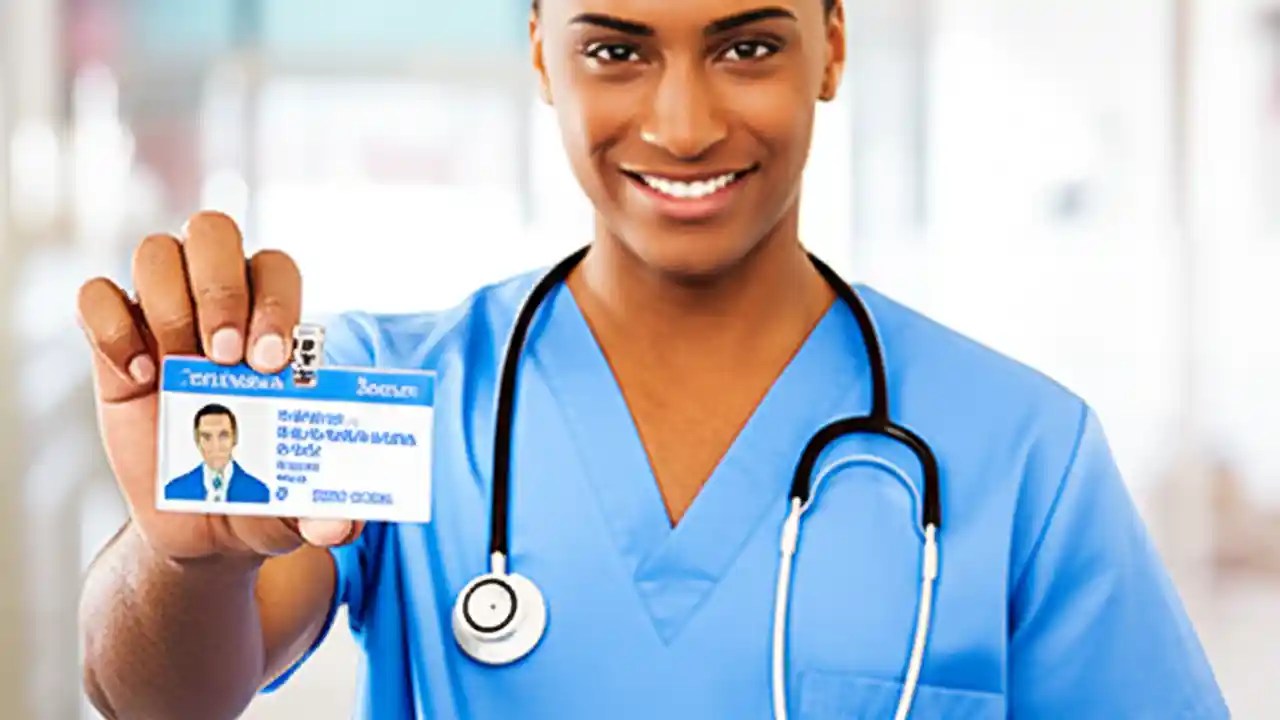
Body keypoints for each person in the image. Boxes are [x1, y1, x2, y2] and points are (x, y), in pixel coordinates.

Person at [76, 0, 1230, 718]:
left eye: (746, 44)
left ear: (830, 45)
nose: (682, 124)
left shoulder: (1017, 449)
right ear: (540, 48)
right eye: (617, 48)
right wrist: (190, 566)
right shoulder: (393, 399)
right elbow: (161, 701)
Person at [163, 403, 269, 504]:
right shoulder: (174, 491)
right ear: (197, 441)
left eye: (223, 436)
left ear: (235, 438)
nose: (215, 446)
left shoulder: (260, 493)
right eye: (206, 437)